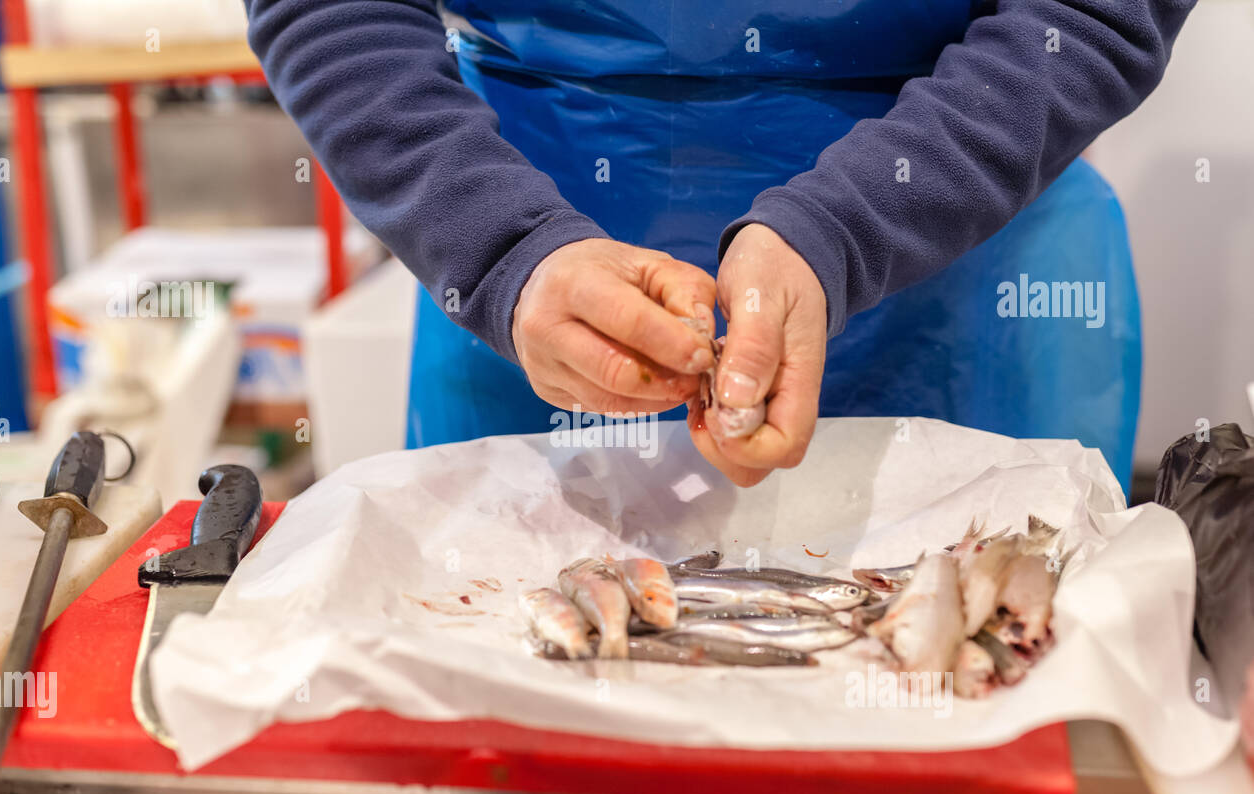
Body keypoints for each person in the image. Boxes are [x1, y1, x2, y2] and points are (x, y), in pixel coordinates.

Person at [245, 0, 1194, 491]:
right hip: (525, 247)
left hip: (964, 255)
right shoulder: (505, 244)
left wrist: (845, 228)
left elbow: (1094, 13)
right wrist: (503, 250)